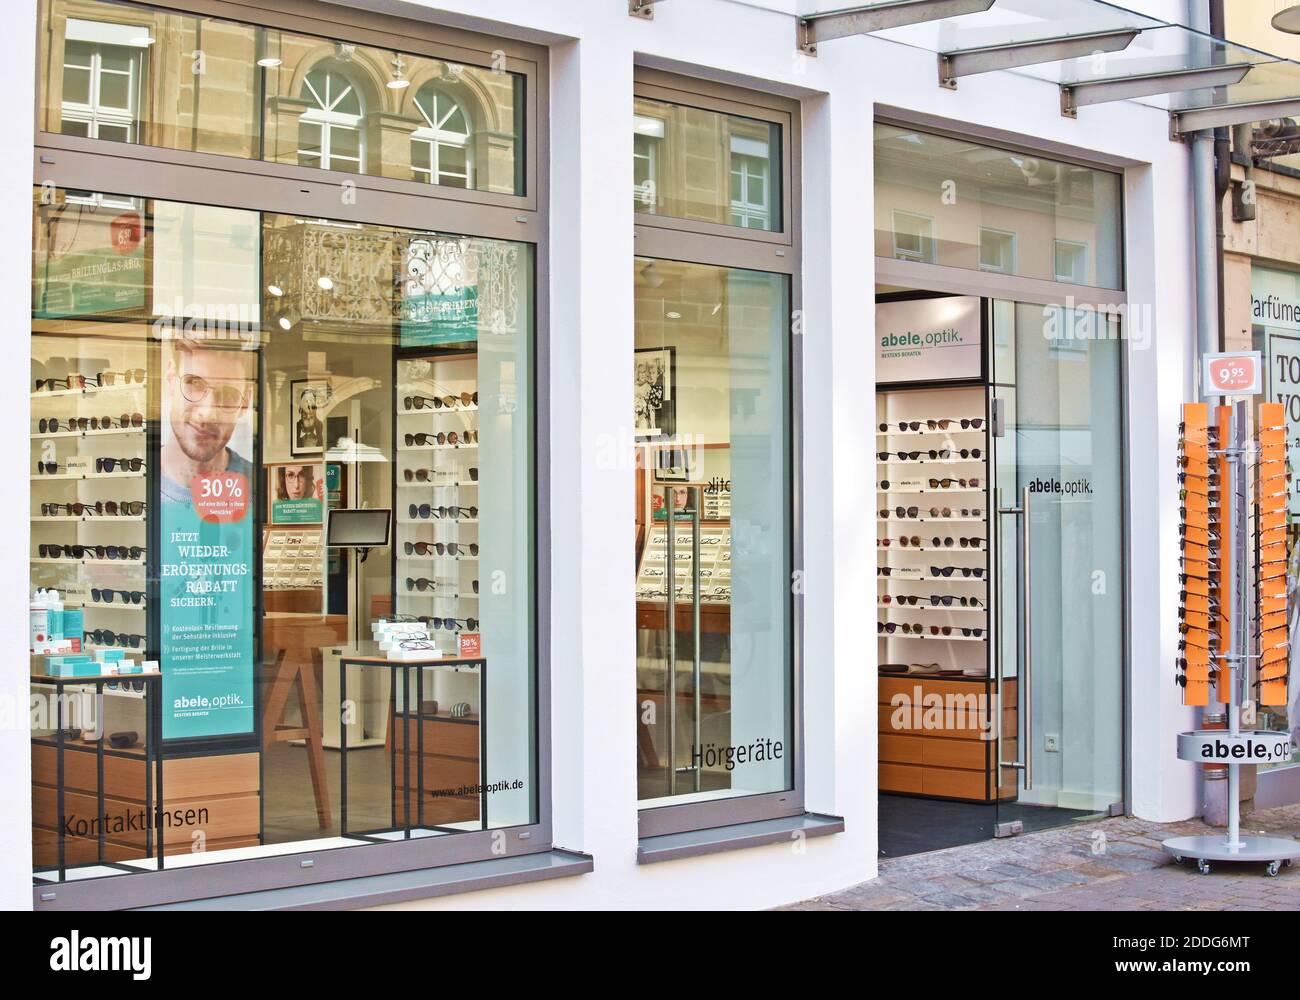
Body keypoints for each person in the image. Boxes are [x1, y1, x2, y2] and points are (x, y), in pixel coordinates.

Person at [160, 338, 255, 507]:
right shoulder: (135, 482)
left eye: (227, 394)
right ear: (171, 379)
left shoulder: (261, 488)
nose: (208, 413)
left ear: (245, 402)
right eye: (195, 384)